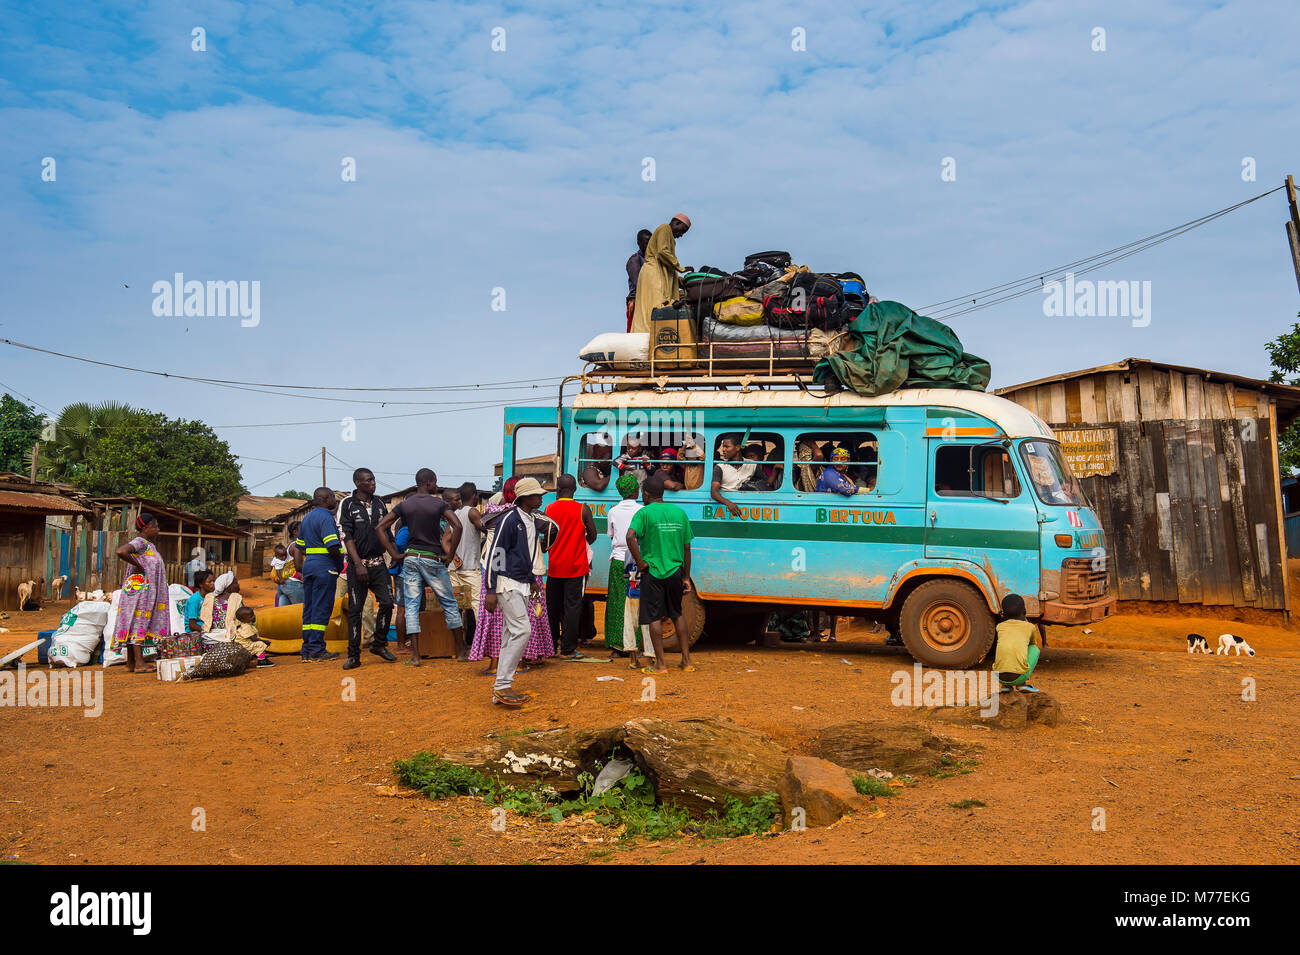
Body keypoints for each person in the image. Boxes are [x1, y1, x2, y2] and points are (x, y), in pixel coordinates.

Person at [376, 468, 465, 665]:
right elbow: (457, 526)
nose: (436, 485)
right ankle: (460, 651)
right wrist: (449, 555)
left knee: (411, 606)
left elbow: (379, 527)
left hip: (410, 558)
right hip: (432, 558)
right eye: (435, 482)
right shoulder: (439, 504)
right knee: (449, 602)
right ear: (428, 483)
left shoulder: (405, 505)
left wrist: (395, 555)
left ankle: (415, 656)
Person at [484, 476, 548, 707]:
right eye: (537, 495)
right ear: (524, 498)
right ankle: (502, 685)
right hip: (506, 583)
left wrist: (531, 580)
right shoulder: (509, 519)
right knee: (522, 630)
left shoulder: (530, 519)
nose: (540, 498)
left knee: (511, 634)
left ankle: (500, 689)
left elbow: (528, 553)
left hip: (521, 582)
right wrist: (491, 589)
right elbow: (496, 552)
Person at [625, 473, 695, 674]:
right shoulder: (679, 513)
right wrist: (685, 577)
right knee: (677, 614)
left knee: (654, 617)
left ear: (646, 494)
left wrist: (640, 563)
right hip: (675, 571)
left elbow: (630, 536)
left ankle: (661, 665)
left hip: (653, 571)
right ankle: (686, 661)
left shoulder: (644, 513)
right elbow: (687, 547)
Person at [336, 467, 396, 670]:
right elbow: (346, 535)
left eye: (373, 479)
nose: (373, 483)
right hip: (357, 566)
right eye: (368, 480)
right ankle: (353, 655)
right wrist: (358, 564)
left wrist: (394, 553)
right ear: (357, 482)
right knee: (355, 610)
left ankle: (379, 644)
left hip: (378, 564)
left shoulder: (379, 503)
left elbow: (386, 530)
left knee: (387, 603)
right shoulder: (347, 504)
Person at [545, 474, 598, 659]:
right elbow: (593, 534)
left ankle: (550, 646)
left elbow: (546, 537)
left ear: (558, 490)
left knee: (552, 609)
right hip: (576, 568)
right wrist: (580, 542)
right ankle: (567, 649)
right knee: (572, 608)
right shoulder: (582, 509)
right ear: (575, 489)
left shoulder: (549, 508)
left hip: (555, 567)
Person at [111, 511, 171, 674]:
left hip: (143, 593)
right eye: (155, 526)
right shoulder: (140, 542)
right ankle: (139, 663)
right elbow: (121, 551)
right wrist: (137, 565)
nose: (158, 529)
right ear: (146, 528)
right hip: (140, 593)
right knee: (138, 621)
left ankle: (131, 662)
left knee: (135, 622)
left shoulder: (149, 546)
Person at [293, 487, 343, 662]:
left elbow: (298, 548)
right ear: (327, 498)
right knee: (322, 608)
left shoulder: (306, 519)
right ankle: (316, 649)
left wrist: (300, 567)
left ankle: (307, 649)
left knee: (310, 608)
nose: (335, 501)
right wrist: (339, 564)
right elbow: (332, 546)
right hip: (325, 567)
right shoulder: (326, 518)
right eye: (333, 498)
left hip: (310, 567)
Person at [604, 473, 647, 666]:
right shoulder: (642, 510)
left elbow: (610, 534)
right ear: (636, 490)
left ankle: (616, 643)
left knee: (616, 600)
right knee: (635, 601)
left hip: (618, 560)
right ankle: (636, 643)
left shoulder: (613, 511)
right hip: (637, 560)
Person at [630, 214, 691, 334]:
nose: (681, 235)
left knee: (655, 306)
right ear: (676, 223)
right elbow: (663, 252)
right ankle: (649, 334)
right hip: (652, 274)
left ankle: (653, 333)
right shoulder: (664, 228)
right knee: (654, 306)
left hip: (656, 274)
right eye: (682, 230)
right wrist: (680, 267)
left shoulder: (670, 237)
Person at [450, 482, 484, 646]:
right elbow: (485, 528)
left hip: (454, 568)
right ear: (474, 496)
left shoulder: (454, 513)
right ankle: (482, 642)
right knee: (478, 605)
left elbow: (445, 540)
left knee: (458, 607)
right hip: (470, 568)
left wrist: (453, 556)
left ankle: (458, 643)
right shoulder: (473, 512)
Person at [993, 594, 1042, 692]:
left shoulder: (999, 626)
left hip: (998, 676)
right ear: (1024, 612)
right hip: (1019, 676)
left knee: (1006, 647)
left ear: (1003, 614)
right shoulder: (1030, 627)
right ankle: (1021, 684)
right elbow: (1032, 644)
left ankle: (1005, 686)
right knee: (1034, 649)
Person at [710, 433, 747, 517]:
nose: (723, 449)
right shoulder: (720, 466)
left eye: (727, 447)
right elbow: (714, 492)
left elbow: (767, 484)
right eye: (723, 447)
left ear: (737, 447)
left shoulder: (752, 465)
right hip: (725, 507)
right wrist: (729, 504)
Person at [625, 228, 652, 332]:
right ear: (638, 243)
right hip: (636, 302)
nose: (649, 245)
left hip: (647, 301)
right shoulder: (635, 260)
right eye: (646, 243)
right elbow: (639, 283)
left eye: (651, 242)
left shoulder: (651, 260)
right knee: (634, 334)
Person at [185, 569, 214, 636]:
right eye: (209, 582)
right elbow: (192, 625)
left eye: (213, 581)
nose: (213, 583)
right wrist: (209, 631)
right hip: (195, 633)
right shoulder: (195, 600)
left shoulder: (211, 597)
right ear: (201, 584)